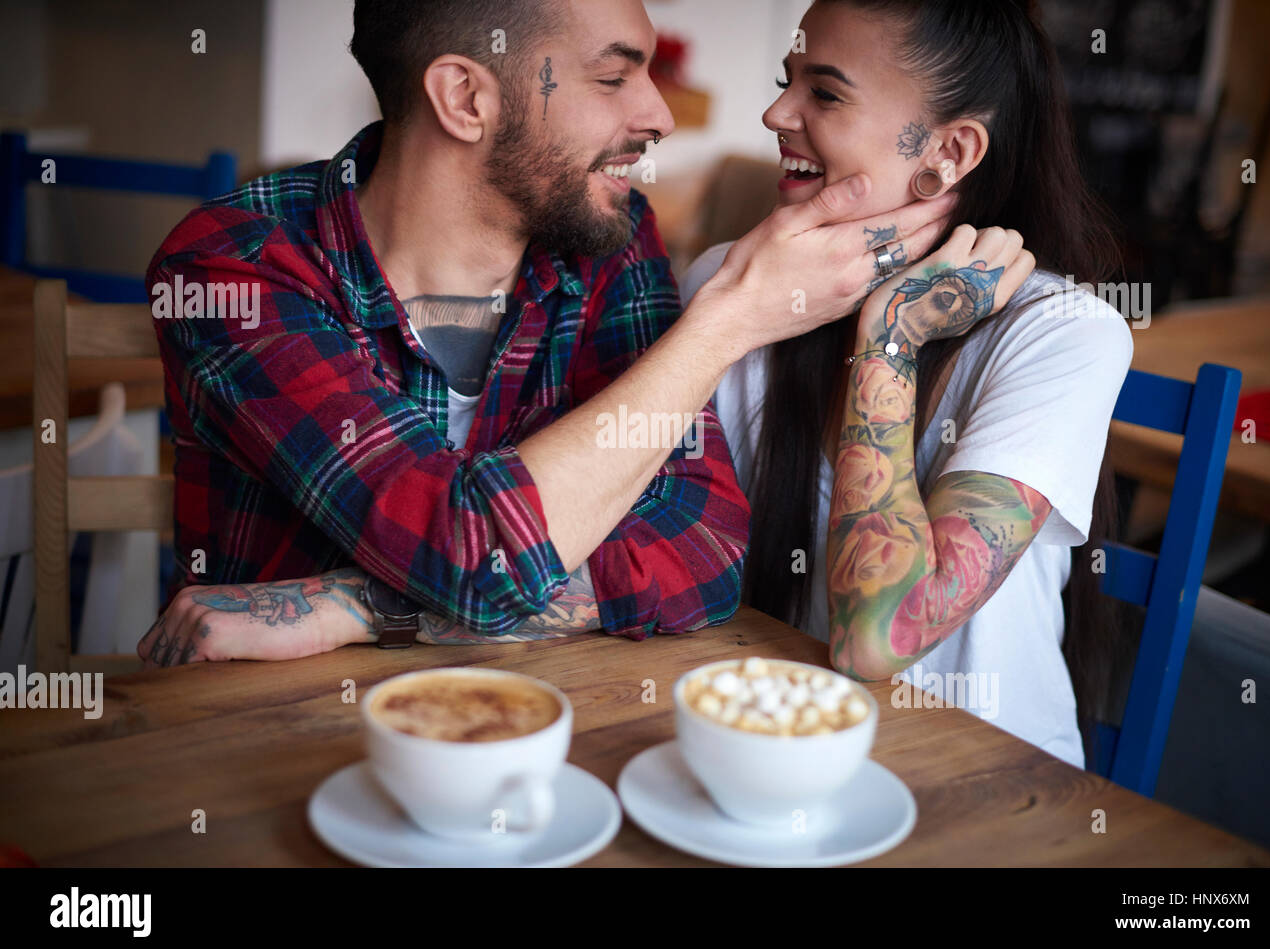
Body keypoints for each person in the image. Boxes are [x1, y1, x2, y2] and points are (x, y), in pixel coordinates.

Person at [137, 0, 956, 664]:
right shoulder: (234, 270)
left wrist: (350, 605)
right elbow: (468, 553)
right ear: (465, 99)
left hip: (537, 730)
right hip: (272, 751)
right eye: (613, 78)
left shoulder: (604, 236)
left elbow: (702, 547)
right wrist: (727, 319)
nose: (660, 115)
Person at [682, 0, 1132, 768]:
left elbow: (877, 636)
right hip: (775, 757)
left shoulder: (1067, 331)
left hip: (988, 795)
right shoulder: (730, 286)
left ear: (951, 150)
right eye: (785, 81)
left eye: (824, 94)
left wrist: (891, 333)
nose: (775, 112)